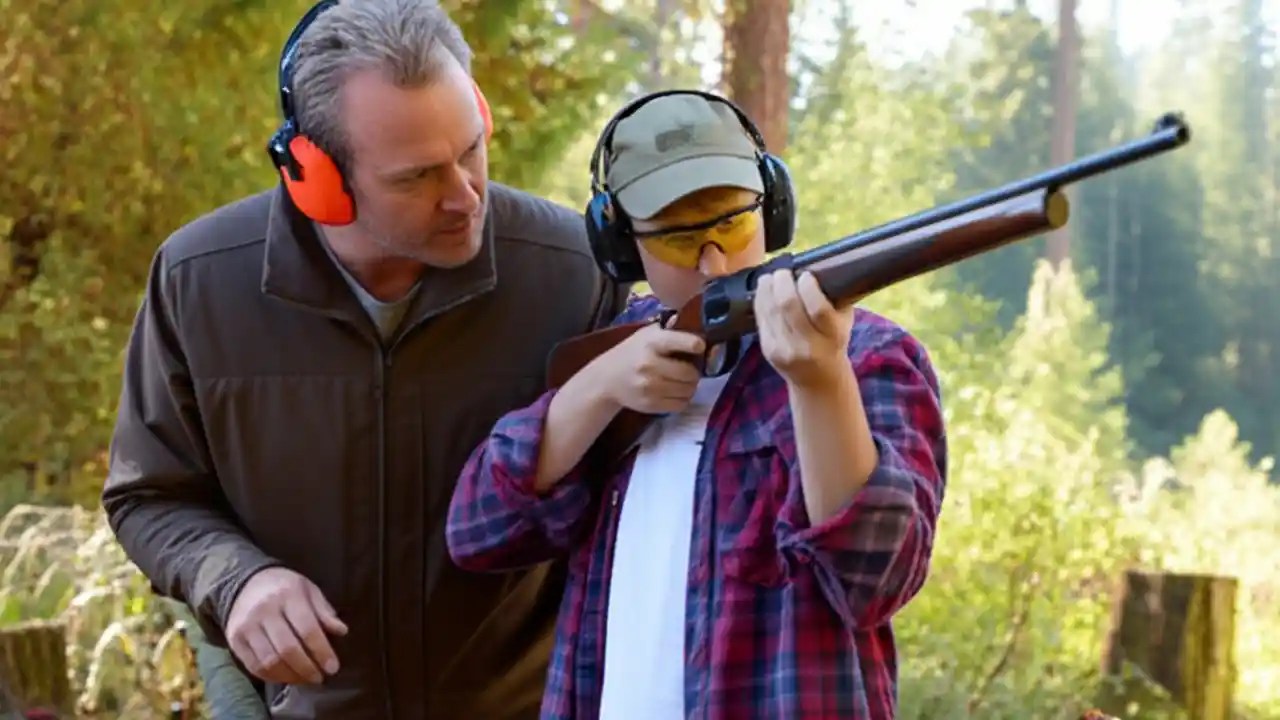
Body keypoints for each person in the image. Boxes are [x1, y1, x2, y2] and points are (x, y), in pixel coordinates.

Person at [99, 0, 627, 717]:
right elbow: (149, 495)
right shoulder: (198, 283)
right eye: (417, 178)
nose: (465, 196)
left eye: (471, 149)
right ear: (316, 176)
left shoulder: (575, 274)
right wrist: (236, 579)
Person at [445, 89, 949, 719]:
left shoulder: (869, 357)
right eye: (679, 239)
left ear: (773, 210)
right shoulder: (615, 361)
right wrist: (594, 392)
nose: (714, 261)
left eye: (732, 222)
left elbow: (876, 582)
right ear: (623, 245)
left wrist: (820, 383)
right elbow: (477, 533)